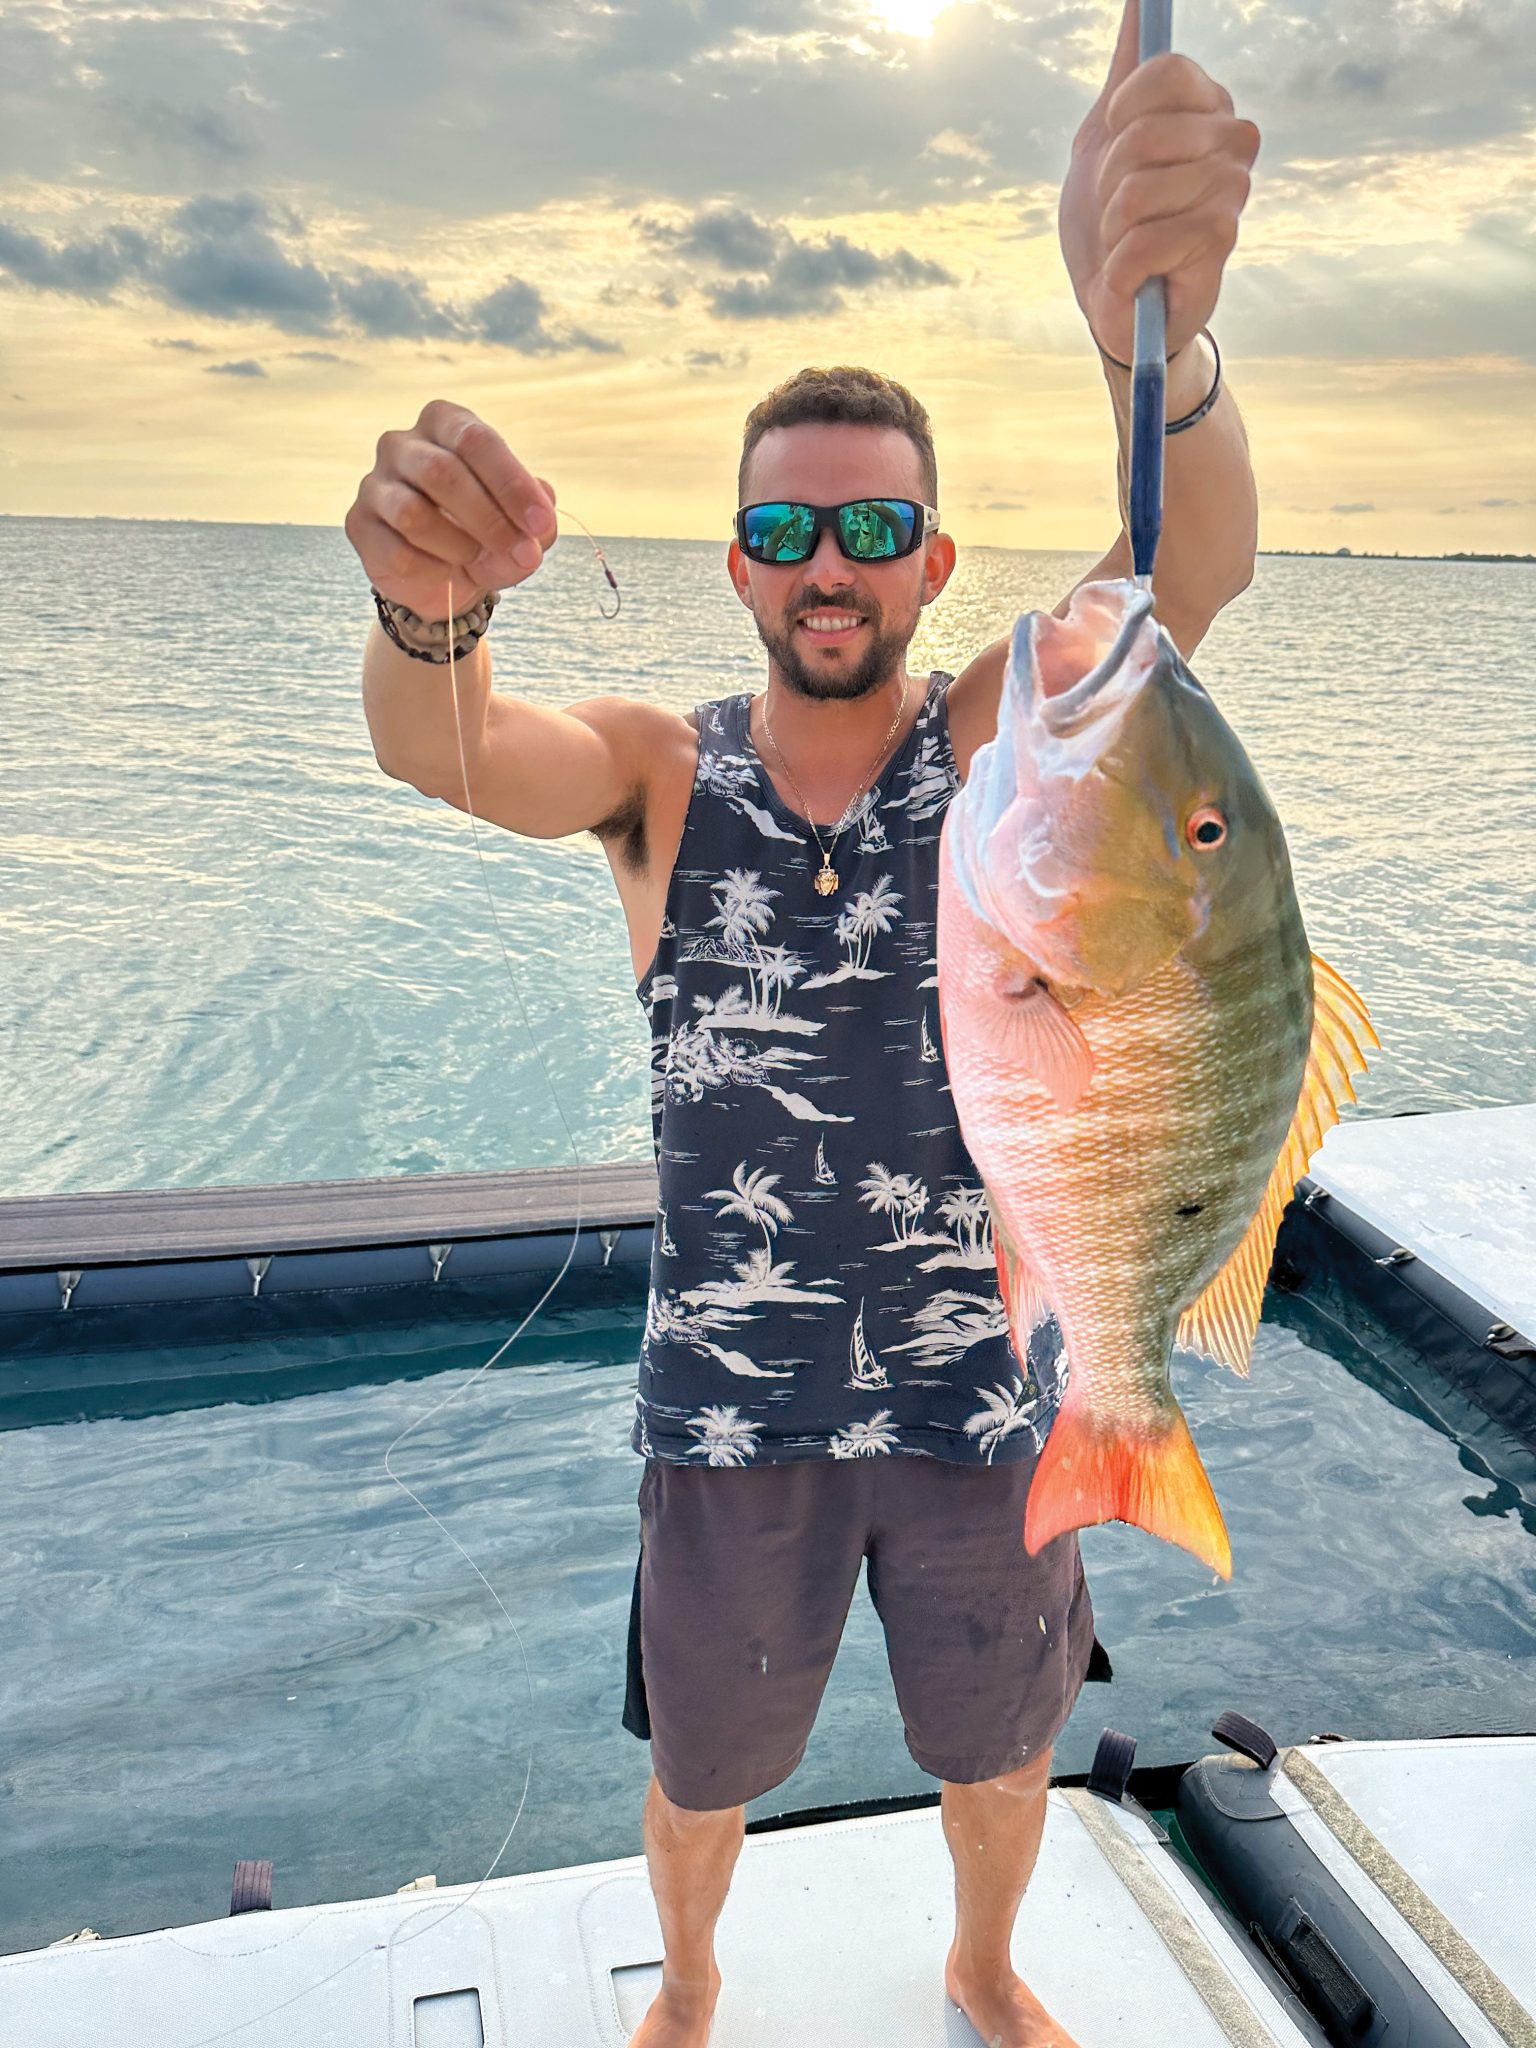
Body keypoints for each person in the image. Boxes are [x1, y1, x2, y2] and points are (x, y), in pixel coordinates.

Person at [345, 10, 1260, 2041]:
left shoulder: (1008, 746)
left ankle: (986, 1958)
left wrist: (1164, 340)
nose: (827, 563)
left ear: (932, 559)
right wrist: (430, 609)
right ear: (742, 558)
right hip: (727, 1410)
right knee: (698, 1769)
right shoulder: (662, 769)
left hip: (986, 1399)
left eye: (866, 528)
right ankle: (684, 1985)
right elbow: (449, 747)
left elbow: (1194, 561)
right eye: (784, 529)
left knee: (1002, 1746)